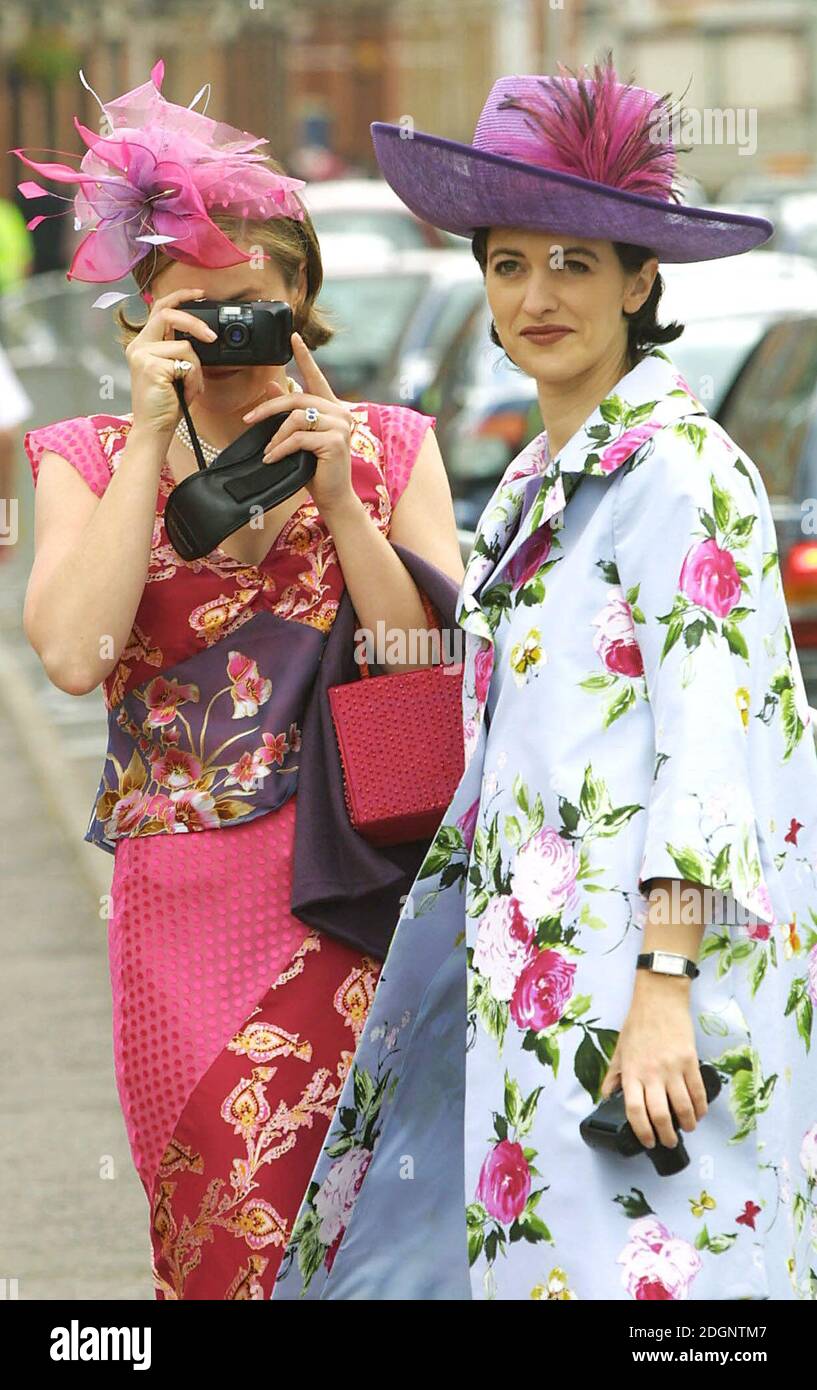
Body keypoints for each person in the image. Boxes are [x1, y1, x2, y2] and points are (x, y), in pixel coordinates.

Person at [270, 57, 817, 1302]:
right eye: (508, 264)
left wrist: (666, 991)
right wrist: (351, 512)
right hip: (538, 987)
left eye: (574, 263)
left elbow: (711, 750)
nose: (537, 294)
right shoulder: (531, 481)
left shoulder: (683, 472)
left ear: (640, 280)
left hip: (657, 997)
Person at [14, 58, 463, 1300]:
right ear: (141, 322)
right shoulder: (90, 455)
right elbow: (69, 656)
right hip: (179, 897)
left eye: (252, 305)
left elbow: (433, 665)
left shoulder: (386, 445)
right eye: (193, 313)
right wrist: (152, 439)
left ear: (304, 304)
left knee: (368, 1236)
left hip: (360, 884)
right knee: (215, 1219)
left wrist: (348, 507)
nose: (228, 336)